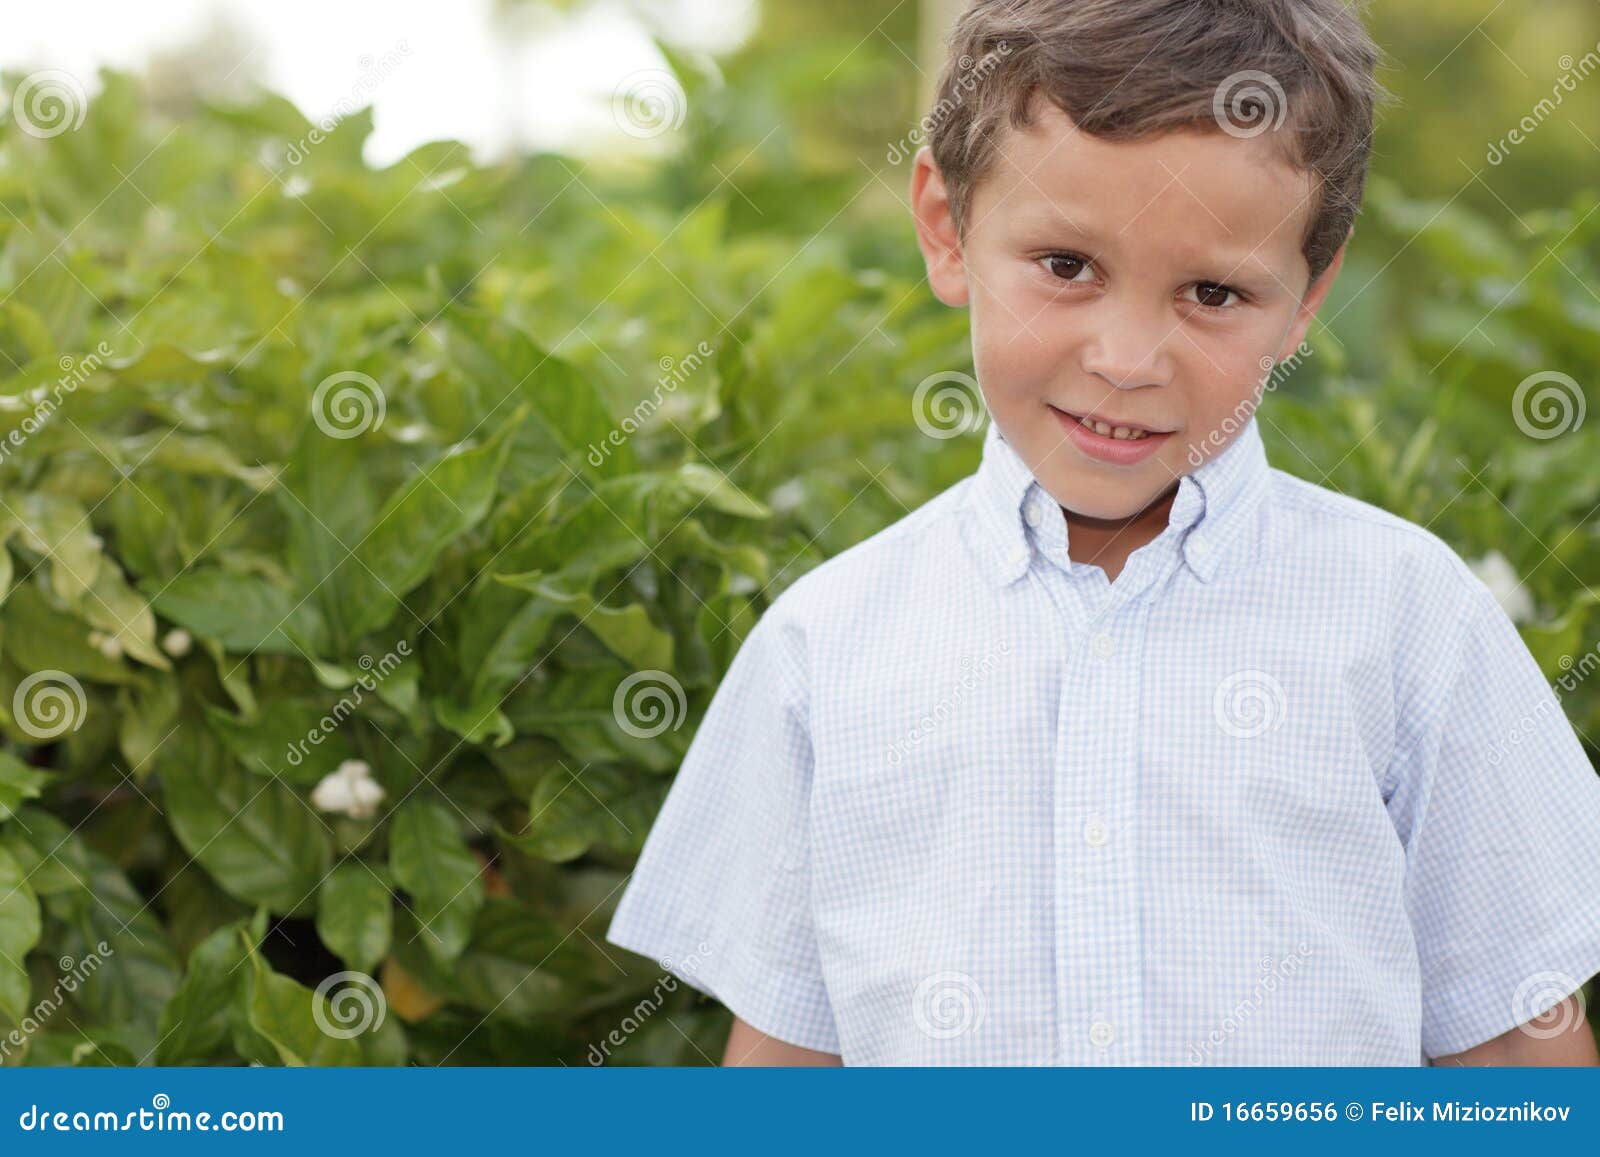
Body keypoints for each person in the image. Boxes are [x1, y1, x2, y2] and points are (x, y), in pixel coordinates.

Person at [606, 0, 1600, 1066]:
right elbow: (786, 1067)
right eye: (1066, 266)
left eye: (1212, 291)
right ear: (946, 227)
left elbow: (1512, 1051)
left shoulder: (1410, 617)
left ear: (1306, 296)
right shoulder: (826, 644)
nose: (1128, 358)